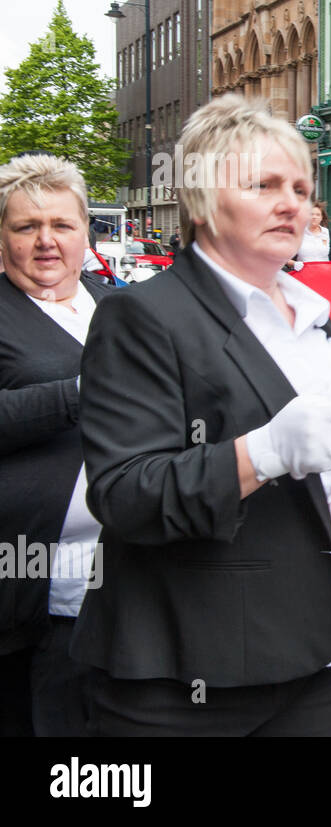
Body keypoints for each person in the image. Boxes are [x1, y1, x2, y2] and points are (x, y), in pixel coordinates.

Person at [71, 95, 331, 736]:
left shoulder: (313, 311)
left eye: (301, 188)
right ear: (201, 201)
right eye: (264, 185)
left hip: (329, 652)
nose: (294, 205)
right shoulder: (142, 317)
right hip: (195, 679)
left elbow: (324, 457)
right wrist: (261, 453)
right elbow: (123, 493)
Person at [0, 154, 114, 736]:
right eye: (26, 227)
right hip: (35, 587)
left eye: (62, 225)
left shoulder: (123, 307)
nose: (47, 242)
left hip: (135, 580)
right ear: (3, 238)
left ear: (85, 232)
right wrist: (79, 392)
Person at [292, 201, 331, 269]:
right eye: (311, 214)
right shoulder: (298, 233)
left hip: (325, 274)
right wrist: (294, 264)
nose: (314, 217)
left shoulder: (328, 233)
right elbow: (284, 258)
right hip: (303, 274)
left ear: (322, 217)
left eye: (318, 215)